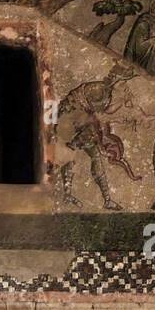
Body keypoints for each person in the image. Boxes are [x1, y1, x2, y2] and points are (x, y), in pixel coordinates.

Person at [56, 63, 142, 209]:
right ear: (116, 82)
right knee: (79, 147)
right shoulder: (100, 90)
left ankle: (107, 200)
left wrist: (122, 100)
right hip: (69, 117)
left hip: (80, 119)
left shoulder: (107, 92)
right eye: (123, 83)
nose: (125, 86)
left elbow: (104, 112)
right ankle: (68, 192)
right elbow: (97, 116)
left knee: (95, 155)